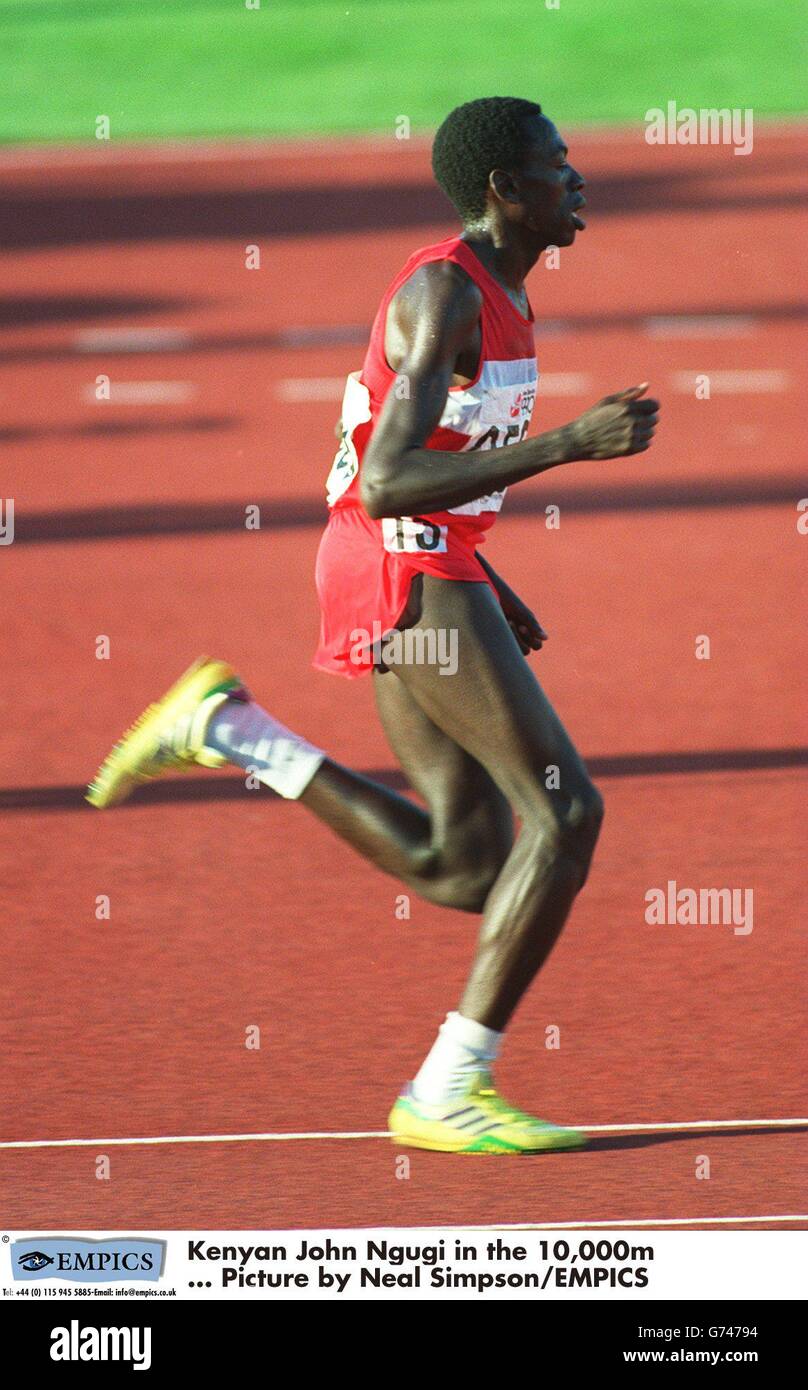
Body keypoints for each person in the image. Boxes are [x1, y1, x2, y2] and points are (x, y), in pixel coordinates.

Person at [87, 97, 659, 1154]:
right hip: (396, 564)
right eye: (557, 163)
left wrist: (490, 577)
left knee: (462, 866)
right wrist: (569, 444)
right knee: (565, 815)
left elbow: (418, 464)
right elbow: (391, 479)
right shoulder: (445, 289)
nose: (577, 176)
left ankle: (228, 729)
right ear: (504, 188)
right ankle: (449, 1086)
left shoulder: (505, 296)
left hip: (420, 561)